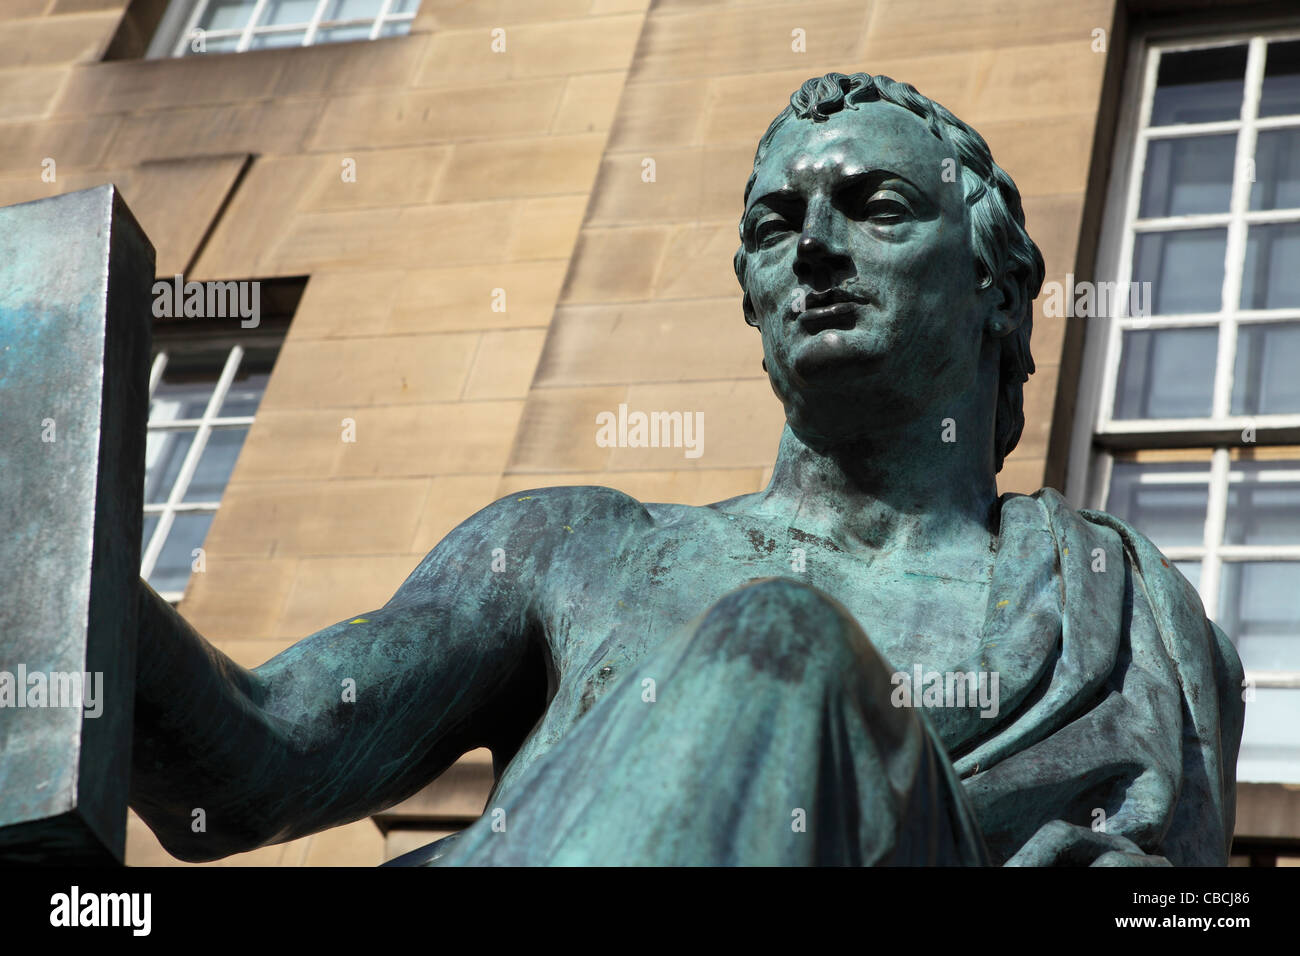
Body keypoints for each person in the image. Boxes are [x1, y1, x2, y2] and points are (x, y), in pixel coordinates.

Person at [131, 72, 1244, 866]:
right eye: (774, 226)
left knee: (787, 644)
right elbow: (253, 765)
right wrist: (61, 589)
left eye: (876, 208)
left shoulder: (1129, 612)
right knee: (787, 641)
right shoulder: (572, 549)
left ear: (996, 286)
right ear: (750, 296)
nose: (811, 247)